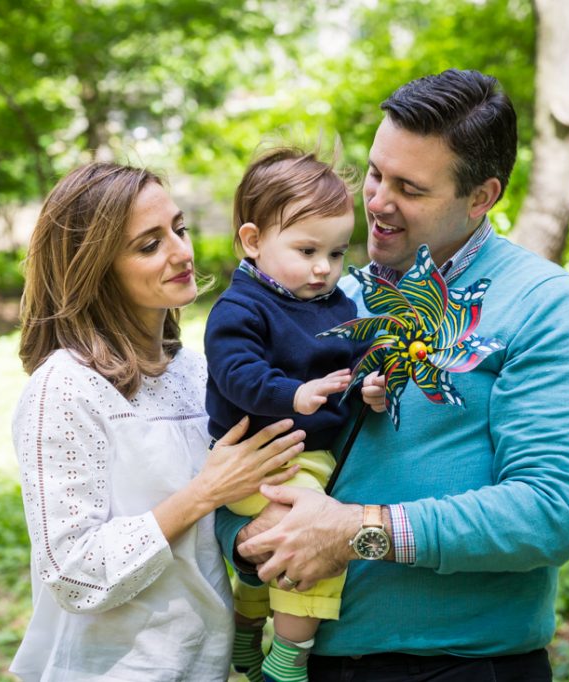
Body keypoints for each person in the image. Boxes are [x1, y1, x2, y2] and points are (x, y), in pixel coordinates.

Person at [216, 68, 569, 681]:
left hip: (458, 669)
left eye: (409, 188)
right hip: (312, 667)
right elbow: (232, 454)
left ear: (480, 197)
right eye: (376, 173)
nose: (377, 201)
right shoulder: (324, 295)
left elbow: (549, 512)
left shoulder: (544, 307)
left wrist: (359, 532)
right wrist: (250, 537)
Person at [10, 162, 307, 682]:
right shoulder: (65, 387)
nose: (181, 252)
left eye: (179, 228)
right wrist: (205, 492)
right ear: (95, 269)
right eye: (149, 245)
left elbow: (212, 529)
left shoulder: (197, 373)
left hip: (202, 665)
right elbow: (73, 573)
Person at [204, 147, 372, 682]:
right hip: (262, 456)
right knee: (312, 540)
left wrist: (369, 379)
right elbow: (235, 372)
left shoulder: (334, 304)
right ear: (253, 241)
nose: (324, 267)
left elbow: (356, 353)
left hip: (305, 453)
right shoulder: (240, 308)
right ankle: (289, 659)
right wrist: (292, 393)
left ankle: (247, 628)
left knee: (269, 555)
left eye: (337, 252)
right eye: (307, 250)